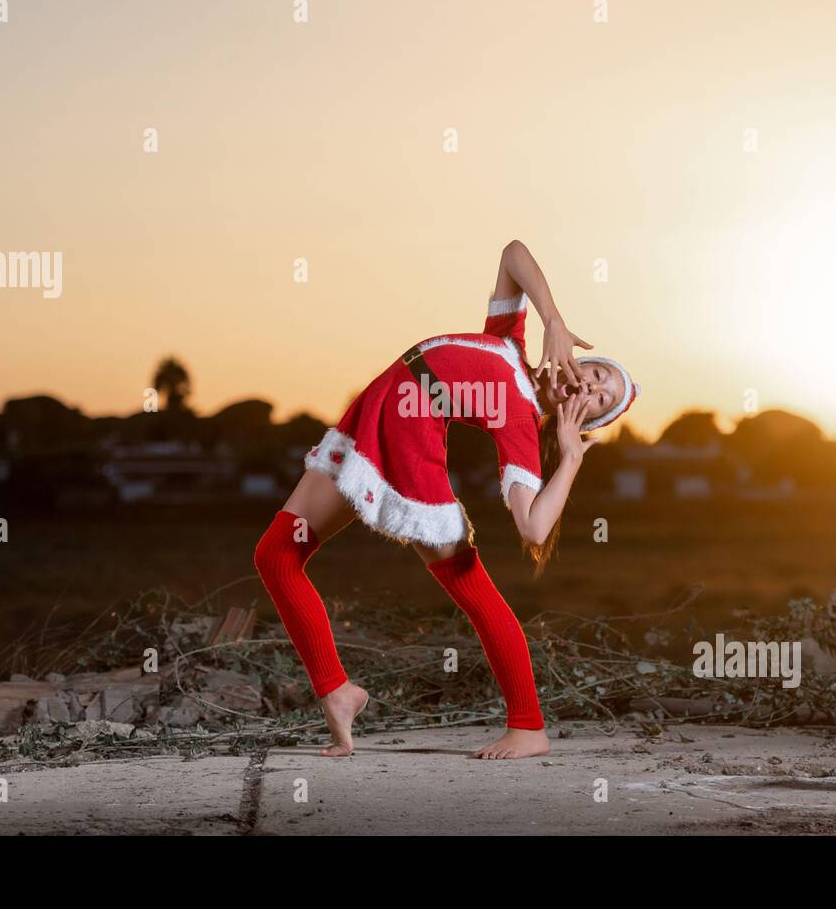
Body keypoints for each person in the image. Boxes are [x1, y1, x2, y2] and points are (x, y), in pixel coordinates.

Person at [253, 240, 640, 759]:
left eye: (602, 398)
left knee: (474, 591)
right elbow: (512, 253)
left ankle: (528, 726)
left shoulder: (522, 421)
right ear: (575, 358)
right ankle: (338, 693)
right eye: (597, 373)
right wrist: (553, 316)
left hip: (411, 452)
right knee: (276, 555)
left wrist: (569, 458)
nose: (592, 386)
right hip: (375, 416)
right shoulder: (508, 344)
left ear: (586, 419)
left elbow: (533, 529)